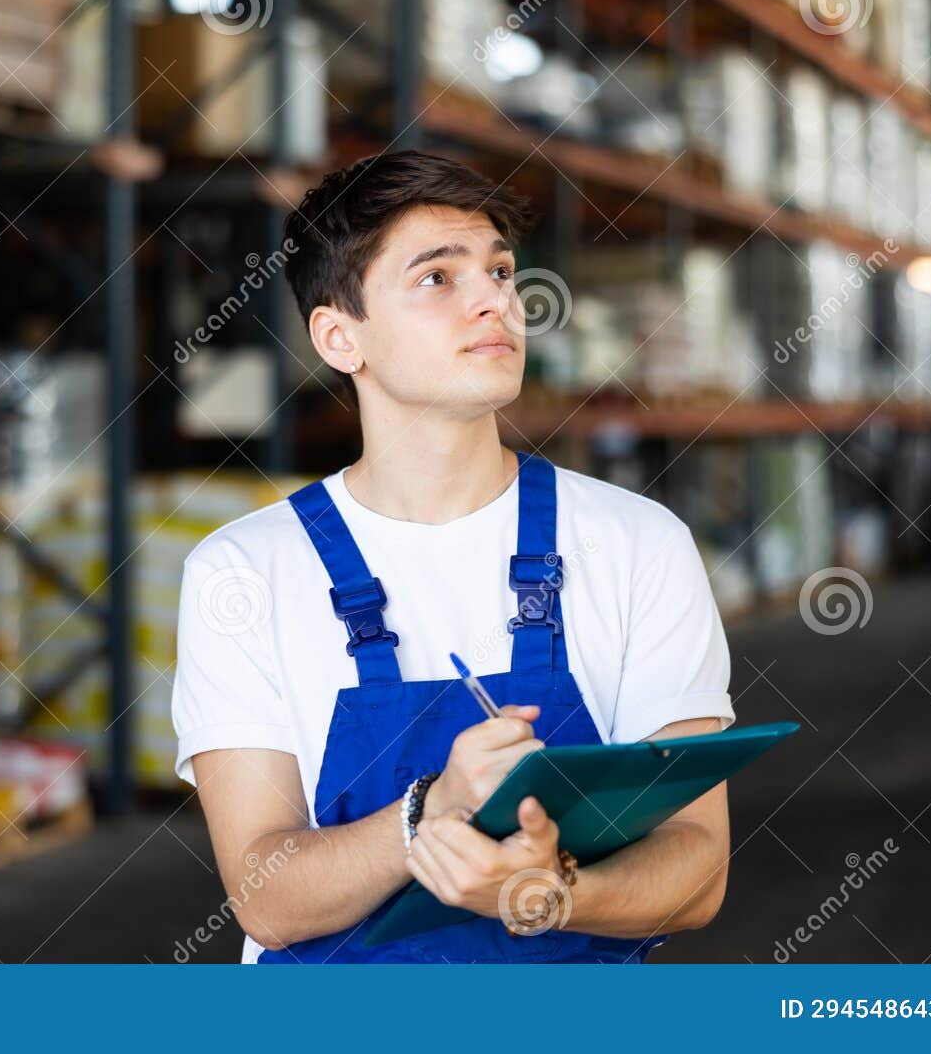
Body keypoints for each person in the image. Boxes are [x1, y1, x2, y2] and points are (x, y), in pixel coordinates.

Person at [171, 151, 734, 963]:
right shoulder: (244, 572)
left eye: (501, 271)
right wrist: (427, 815)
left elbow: (697, 865)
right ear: (339, 337)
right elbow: (267, 897)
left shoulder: (638, 545)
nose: (495, 301)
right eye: (439, 278)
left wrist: (549, 893)